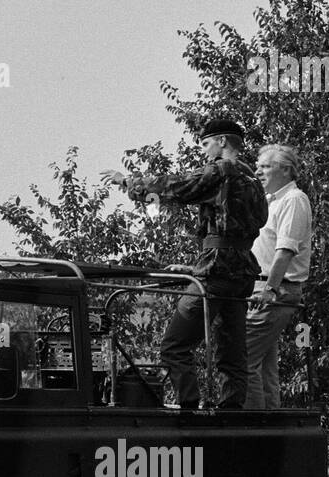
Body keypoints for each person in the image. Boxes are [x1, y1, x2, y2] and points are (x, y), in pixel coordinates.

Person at [101, 118, 267, 410]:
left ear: (222, 142)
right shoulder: (253, 178)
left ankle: (188, 410)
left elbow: (176, 186)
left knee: (174, 346)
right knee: (232, 355)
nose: (204, 152)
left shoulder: (221, 170)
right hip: (241, 273)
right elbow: (254, 223)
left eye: (206, 144)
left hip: (216, 271)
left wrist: (129, 183)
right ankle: (231, 414)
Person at [245, 144, 312, 410]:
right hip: (262, 290)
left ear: (285, 169)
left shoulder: (294, 199)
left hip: (274, 290)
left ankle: (249, 431)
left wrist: (269, 289)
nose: (258, 172)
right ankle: (269, 429)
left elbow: (284, 251)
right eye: (258, 166)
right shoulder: (272, 202)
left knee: (242, 359)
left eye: (265, 167)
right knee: (263, 365)